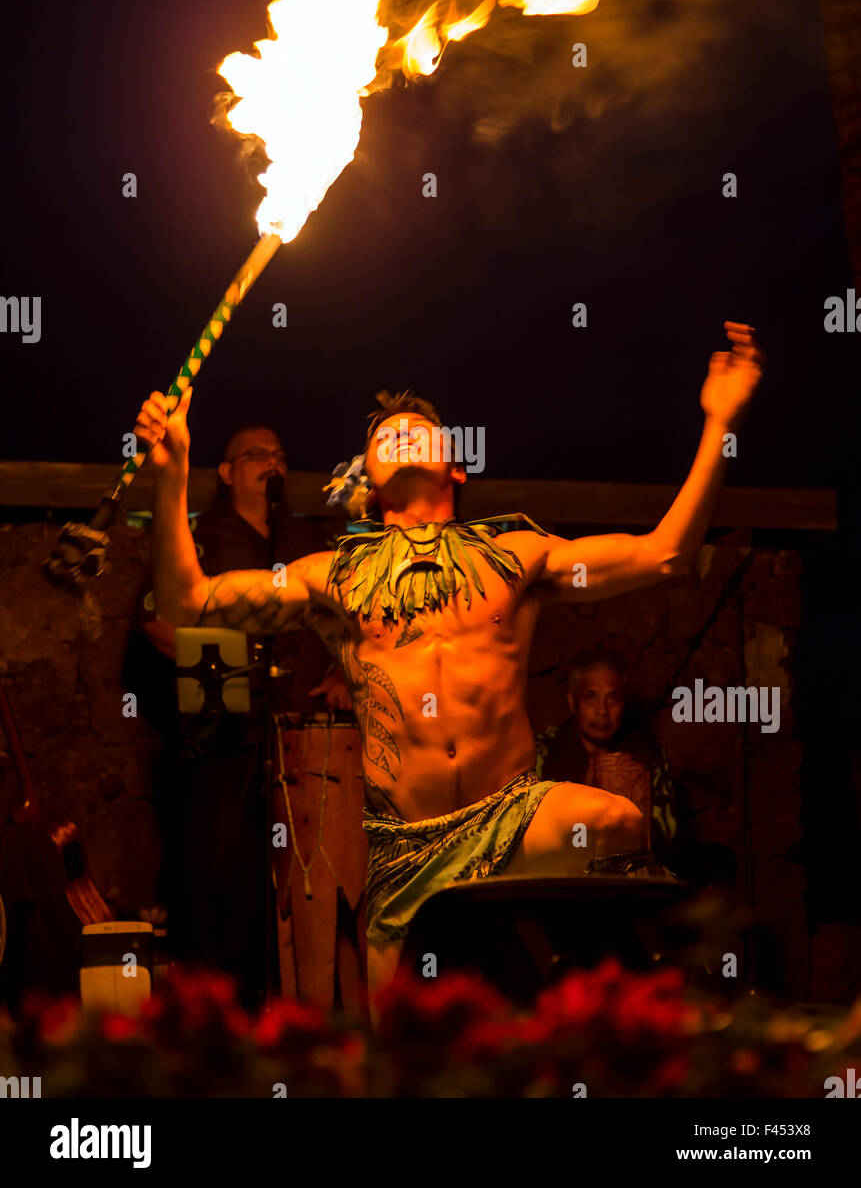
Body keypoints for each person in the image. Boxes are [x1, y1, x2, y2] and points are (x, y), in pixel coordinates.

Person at [133, 321, 763, 1005]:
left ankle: (632, 1016)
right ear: (367, 482)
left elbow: (666, 553)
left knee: (612, 822)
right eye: (384, 432)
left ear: (457, 466)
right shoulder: (332, 575)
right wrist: (170, 477)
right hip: (403, 849)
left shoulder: (518, 554)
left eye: (418, 426)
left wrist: (717, 423)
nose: (401, 431)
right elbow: (188, 602)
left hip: (511, 814)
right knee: (403, 1056)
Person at [125, 422, 343, 1007]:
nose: (270, 463)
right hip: (220, 742)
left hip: (303, 745)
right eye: (254, 455)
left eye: (279, 454)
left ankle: (297, 1011)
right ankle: (217, 1018)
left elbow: (356, 621)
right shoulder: (202, 544)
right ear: (225, 472)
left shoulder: (312, 544)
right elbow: (154, 616)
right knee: (220, 876)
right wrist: (228, 655)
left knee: (304, 882)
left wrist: (344, 673)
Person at [538, 647, 683, 872]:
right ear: (572, 702)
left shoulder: (646, 756)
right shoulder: (546, 752)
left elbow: (670, 842)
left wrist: (635, 796)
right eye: (591, 697)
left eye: (613, 698)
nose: (602, 710)